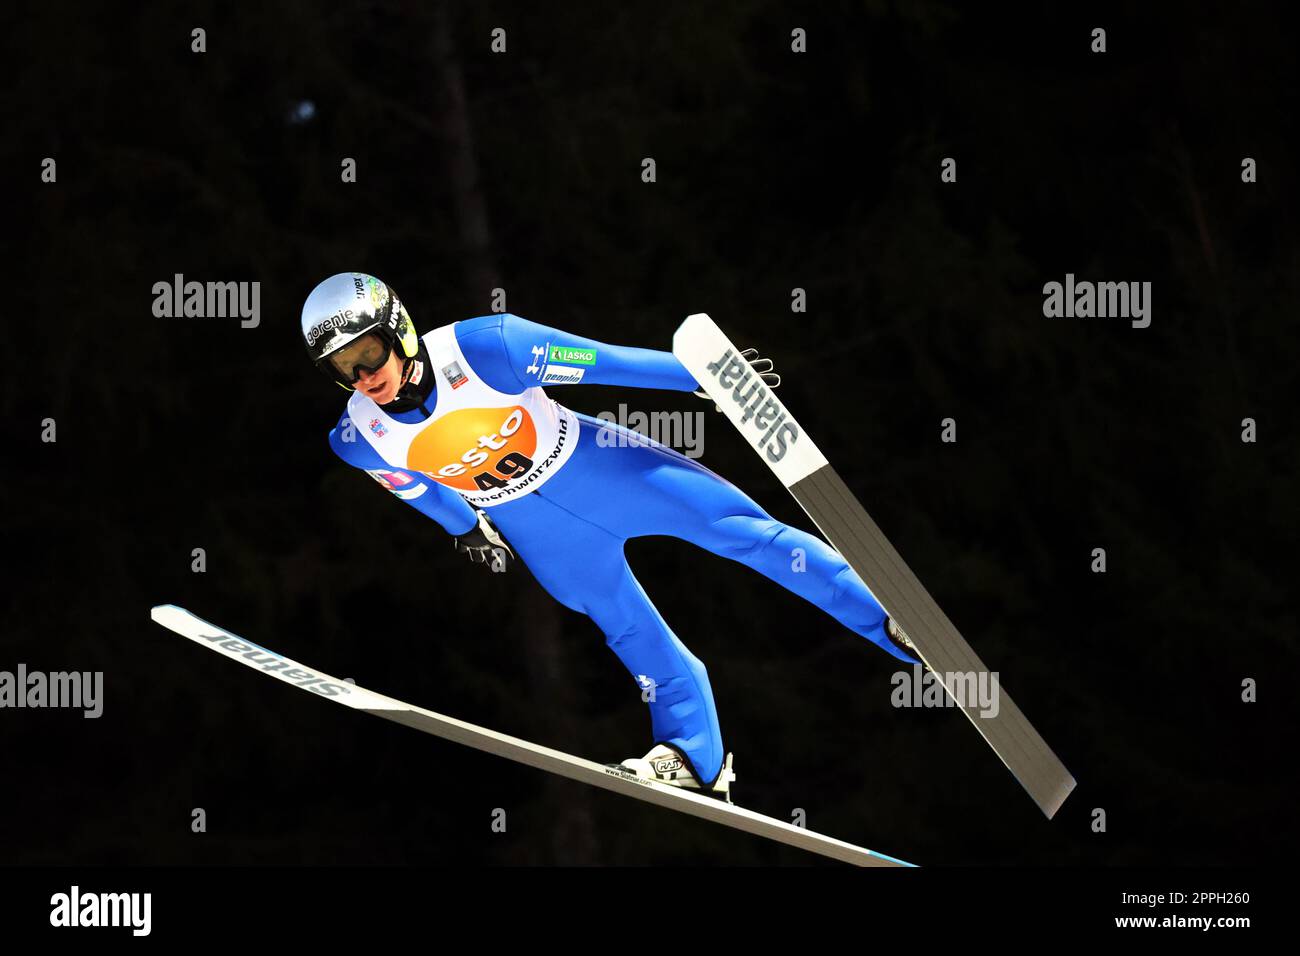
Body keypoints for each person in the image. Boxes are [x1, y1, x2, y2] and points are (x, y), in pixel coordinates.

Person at [302, 272, 918, 803]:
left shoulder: (489, 348)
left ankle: (886, 619)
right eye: (343, 369)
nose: (363, 377)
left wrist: (700, 380)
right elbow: (412, 485)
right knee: (625, 625)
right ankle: (692, 757)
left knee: (747, 535)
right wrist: (466, 528)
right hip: (539, 532)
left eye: (370, 354)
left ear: (400, 330)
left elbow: (605, 361)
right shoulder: (355, 437)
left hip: (608, 470)